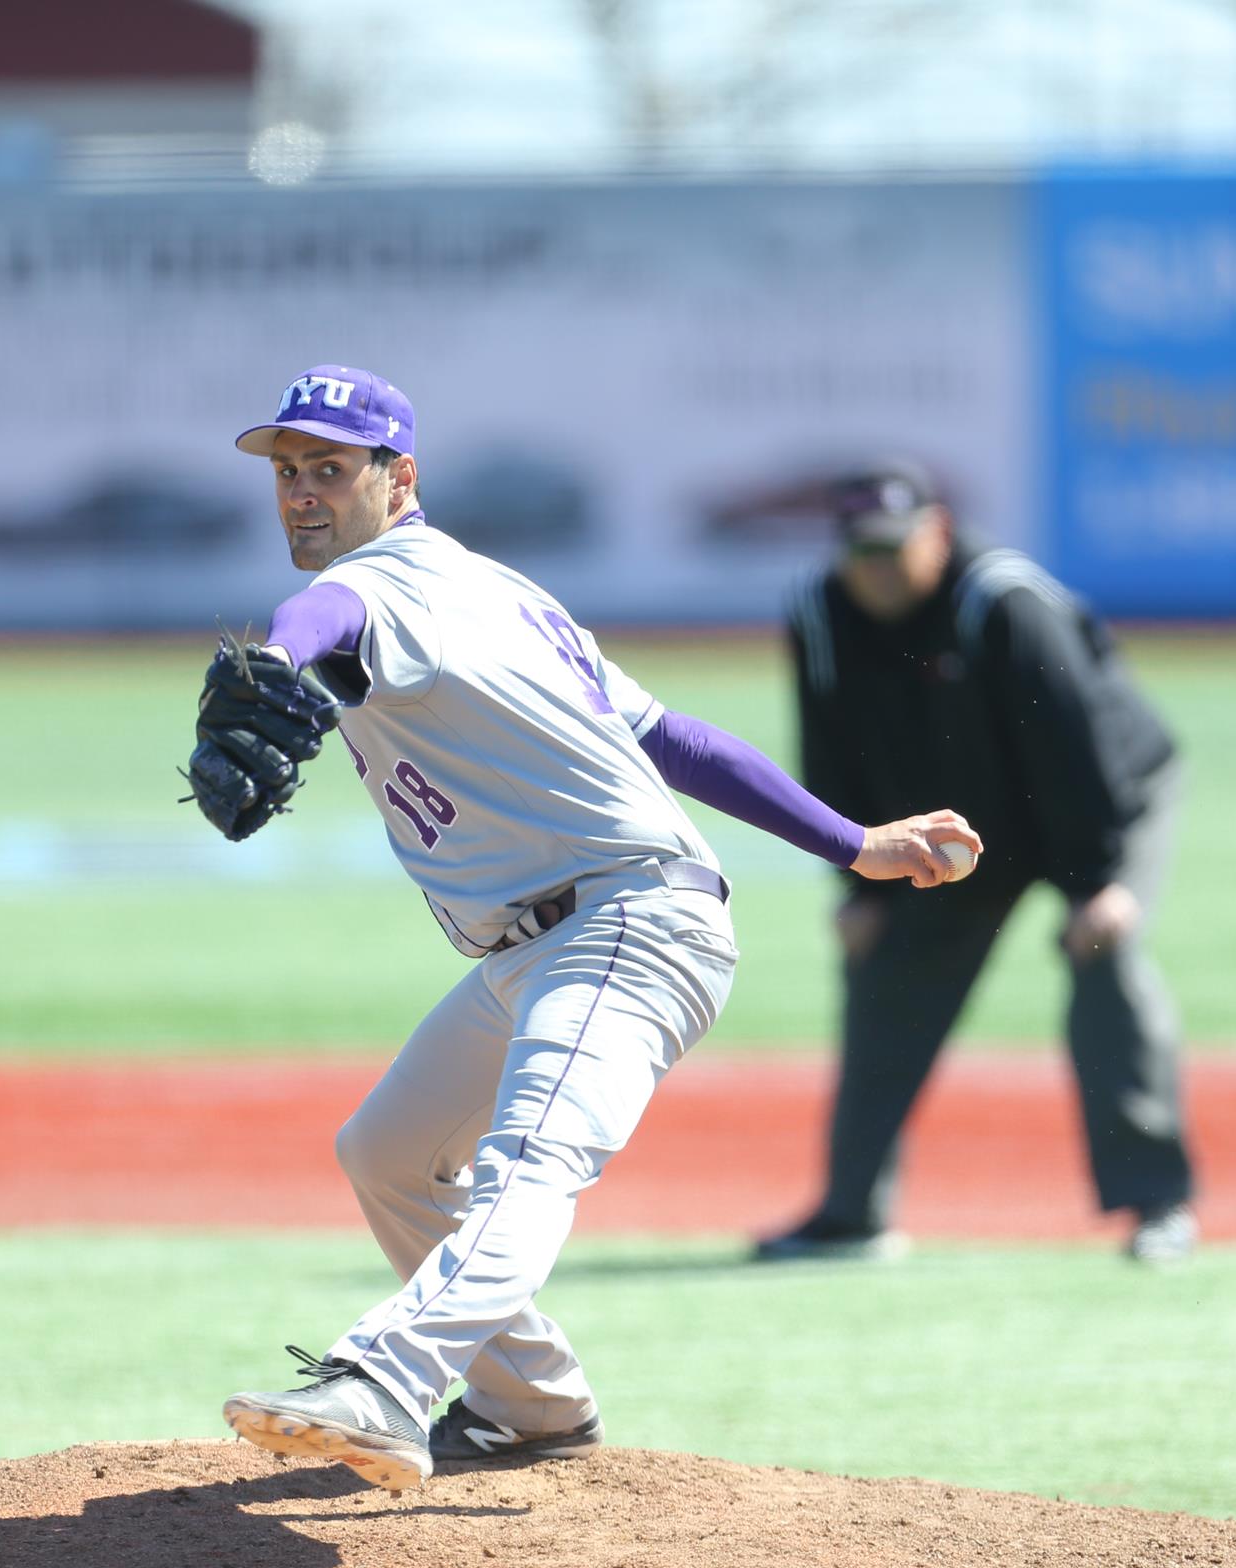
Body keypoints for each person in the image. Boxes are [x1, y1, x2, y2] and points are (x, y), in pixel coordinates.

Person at [201, 367, 983, 1494]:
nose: (302, 493)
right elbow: (678, 740)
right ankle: (534, 1408)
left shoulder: (391, 584)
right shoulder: (501, 592)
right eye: (286, 472)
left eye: (330, 467)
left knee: (528, 1160)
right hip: (547, 941)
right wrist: (854, 843)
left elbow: (321, 618)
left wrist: (274, 663)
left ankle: (381, 1382)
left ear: (399, 476)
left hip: (628, 919)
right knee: (388, 1153)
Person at [754, 460, 1198, 1267]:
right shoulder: (821, 613)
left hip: (1104, 797)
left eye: (896, 548)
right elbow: (831, 755)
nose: (879, 570)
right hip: (963, 826)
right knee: (884, 964)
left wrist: (1098, 884)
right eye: (863, 552)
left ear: (940, 534)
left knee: (1104, 951)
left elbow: (1079, 744)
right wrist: (859, 884)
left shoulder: (1004, 602)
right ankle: (853, 1212)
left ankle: (1158, 1204)